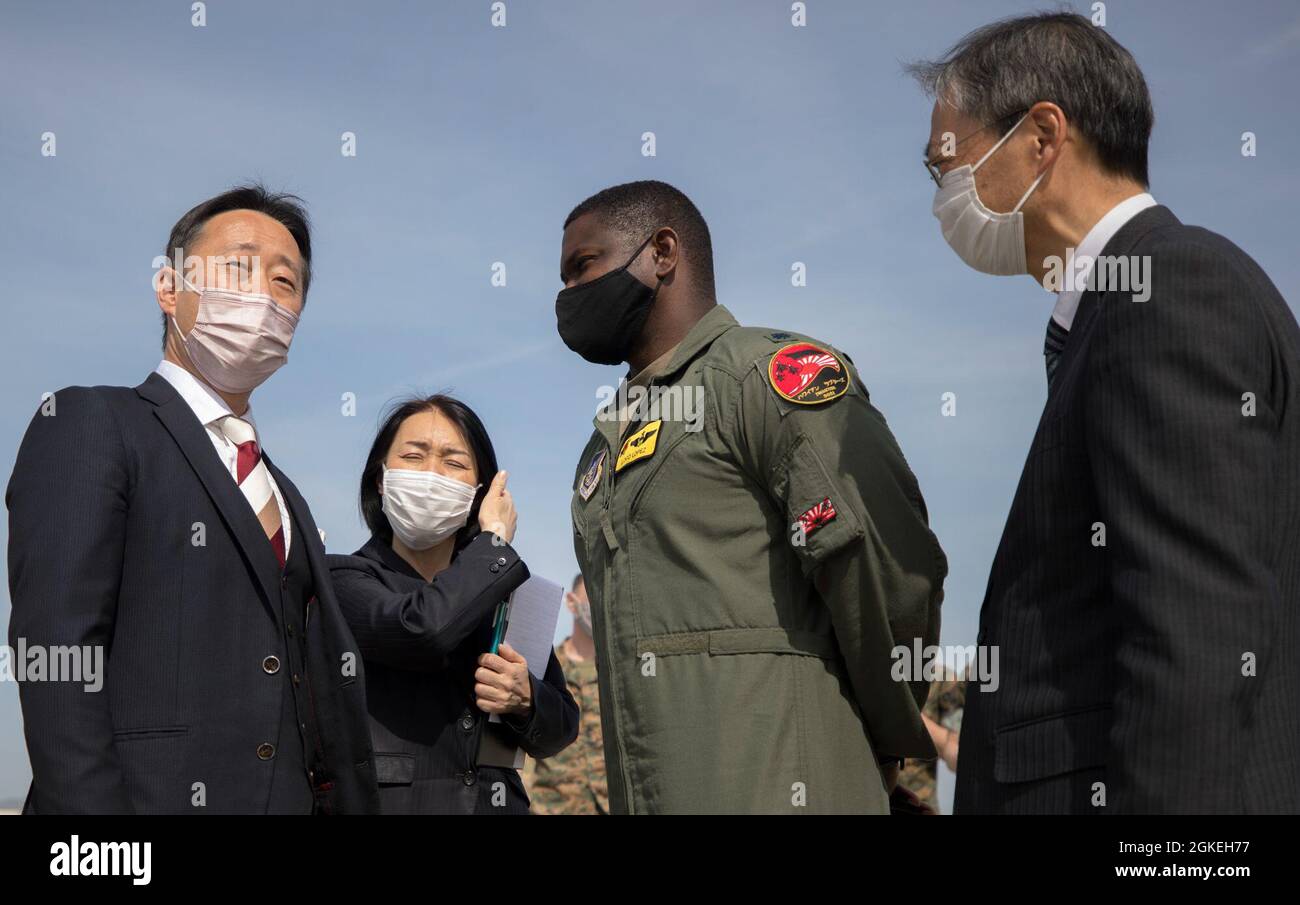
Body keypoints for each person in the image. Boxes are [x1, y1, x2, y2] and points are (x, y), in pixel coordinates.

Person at [910, 12, 1300, 813]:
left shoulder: (1168, 288)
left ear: (1042, 136)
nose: (942, 199)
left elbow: (1197, 642)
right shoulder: (1116, 306)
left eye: (945, 166)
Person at [559, 180, 948, 814]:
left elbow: (886, 569)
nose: (568, 295)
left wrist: (873, 746)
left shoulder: (765, 380)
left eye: (584, 266)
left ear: (662, 253)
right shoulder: (604, 446)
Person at [6, 185, 378, 814]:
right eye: (237, 266)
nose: (262, 295)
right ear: (169, 289)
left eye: (285, 283)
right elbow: (59, 656)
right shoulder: (93, 421)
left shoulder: (284, 492)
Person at [327, 395, 578, 814]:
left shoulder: (508, 592)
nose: (431, 475)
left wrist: (526, 699)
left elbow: (560, 731)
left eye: (454, 463)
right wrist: (494, 545)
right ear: (380, 479)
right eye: (413, 456)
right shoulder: (345, 579)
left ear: (481, 492)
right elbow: (424, 630)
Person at [523, 575, 609, 815]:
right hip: (553, 808)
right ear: (572, 603)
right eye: (590, 598)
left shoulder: (616, 676)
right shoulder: (544, 671)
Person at [897, 674, 965, 813]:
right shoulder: (865, 673)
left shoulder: (943, 680)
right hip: (865, 799)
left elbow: (959, 755)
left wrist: (906, 712)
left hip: (918, 804)